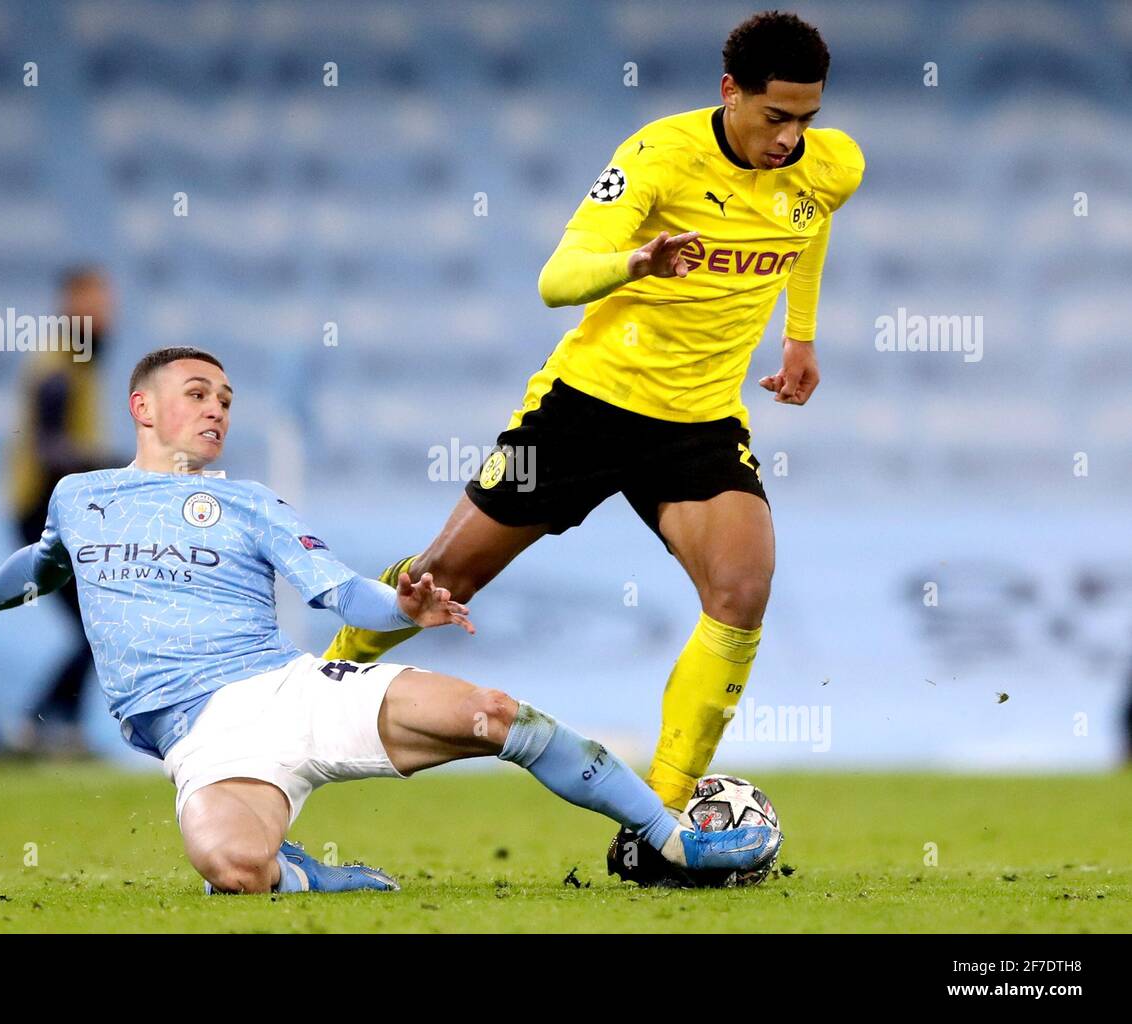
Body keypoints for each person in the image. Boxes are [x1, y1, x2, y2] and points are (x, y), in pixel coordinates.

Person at [0, 347, 780, 894]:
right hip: (204, 740)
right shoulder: (82, 496)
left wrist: (402, 604)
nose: (217, 410)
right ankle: (303, 874)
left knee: (500, 717)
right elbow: (42, 566)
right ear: (144, 407)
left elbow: (340, 594)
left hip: (290, 691)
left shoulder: (250, 504)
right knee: (234, 873)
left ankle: (672, 840)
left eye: (227, 400)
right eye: (199, 393)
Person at [320, 10, 864, 885]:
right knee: (442, 581)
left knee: (743, 587)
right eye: (776, 117)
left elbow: (812, 221)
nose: (792, 137)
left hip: (698, 426)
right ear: (730, 93)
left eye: (806, 116)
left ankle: (659, 818)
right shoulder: (656, 155)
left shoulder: (832, 163)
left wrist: (799, 336)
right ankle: (320, 679)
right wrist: (638, 262)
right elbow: (554, 280)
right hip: (586, 412)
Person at [6, 266, 118, 754]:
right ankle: (40, 724)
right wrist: (109, 467)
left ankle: (52, 724)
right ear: (70, 306)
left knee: (98, 623)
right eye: (95, 303)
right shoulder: (58, 369)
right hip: (41, 512)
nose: (106, 313)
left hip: (56, 511)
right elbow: (49, 448)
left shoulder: (78, 362)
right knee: (98, 621)